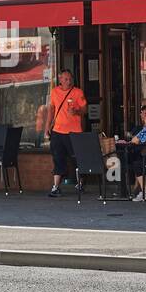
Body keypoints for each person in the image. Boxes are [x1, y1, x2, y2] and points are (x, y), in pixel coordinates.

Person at [45, 69, 86, 197]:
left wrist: (77, 112)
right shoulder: (54, 92)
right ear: (61, 80)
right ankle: (56, 187)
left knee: (77, 158)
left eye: (70, 79)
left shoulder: (77, 92)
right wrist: (47, 125)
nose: (68, 82)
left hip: (74, 132)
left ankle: (80, 182)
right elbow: (51, 110)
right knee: (57, 158)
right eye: (66, 79)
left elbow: (85, 110)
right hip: (57, 131)